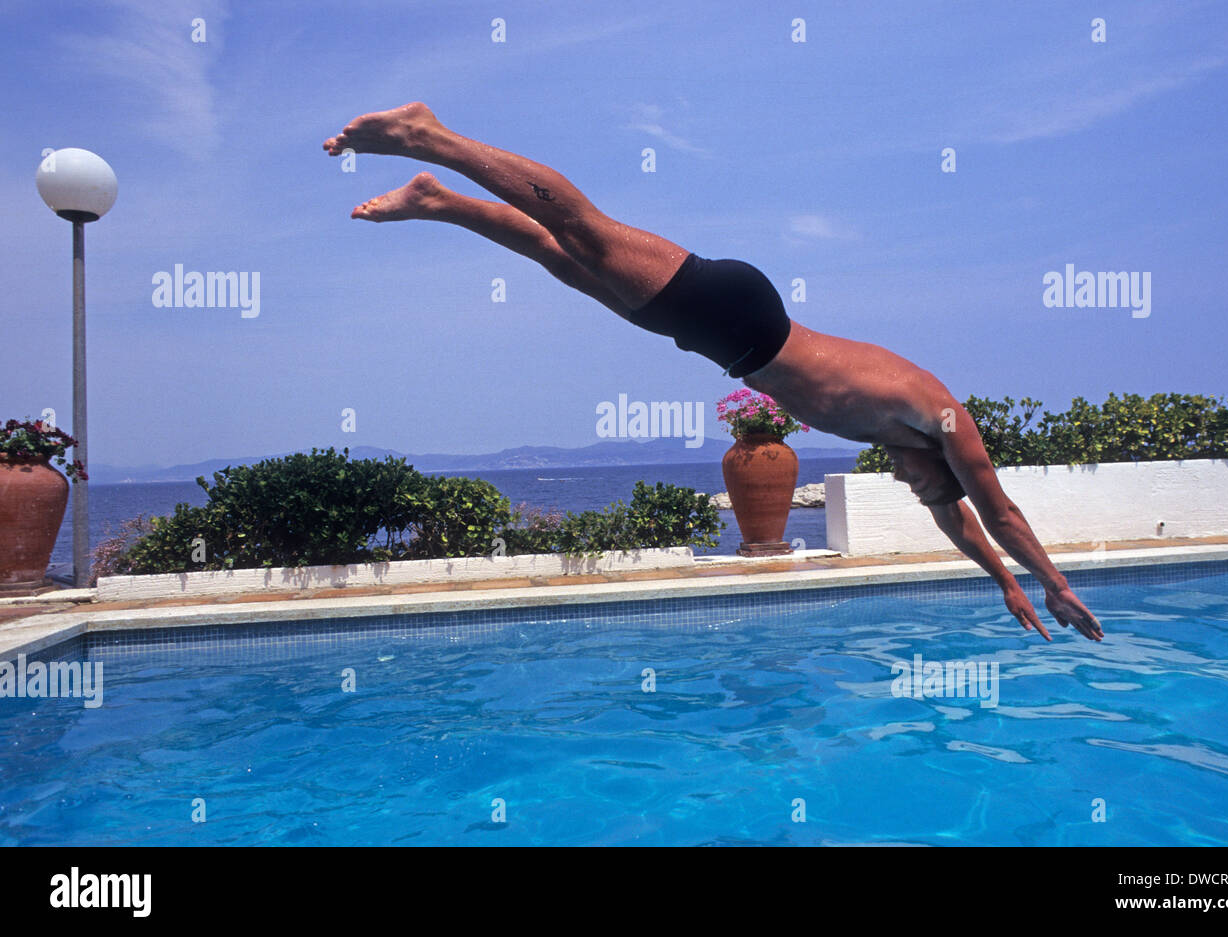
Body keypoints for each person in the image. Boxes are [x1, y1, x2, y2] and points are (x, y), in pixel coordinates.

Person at [323, 103, 1104, 643]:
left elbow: (956, 519)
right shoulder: (940, 419)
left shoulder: (910, 448)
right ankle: (432, 139)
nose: (909, 484)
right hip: (744, 316)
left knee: (555, 256)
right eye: (920, 481)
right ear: (938, 461)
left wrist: (999, 581)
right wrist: (1051, 580)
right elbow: (994, 509)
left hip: (720, 338)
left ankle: (436, 199)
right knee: (581, 229)